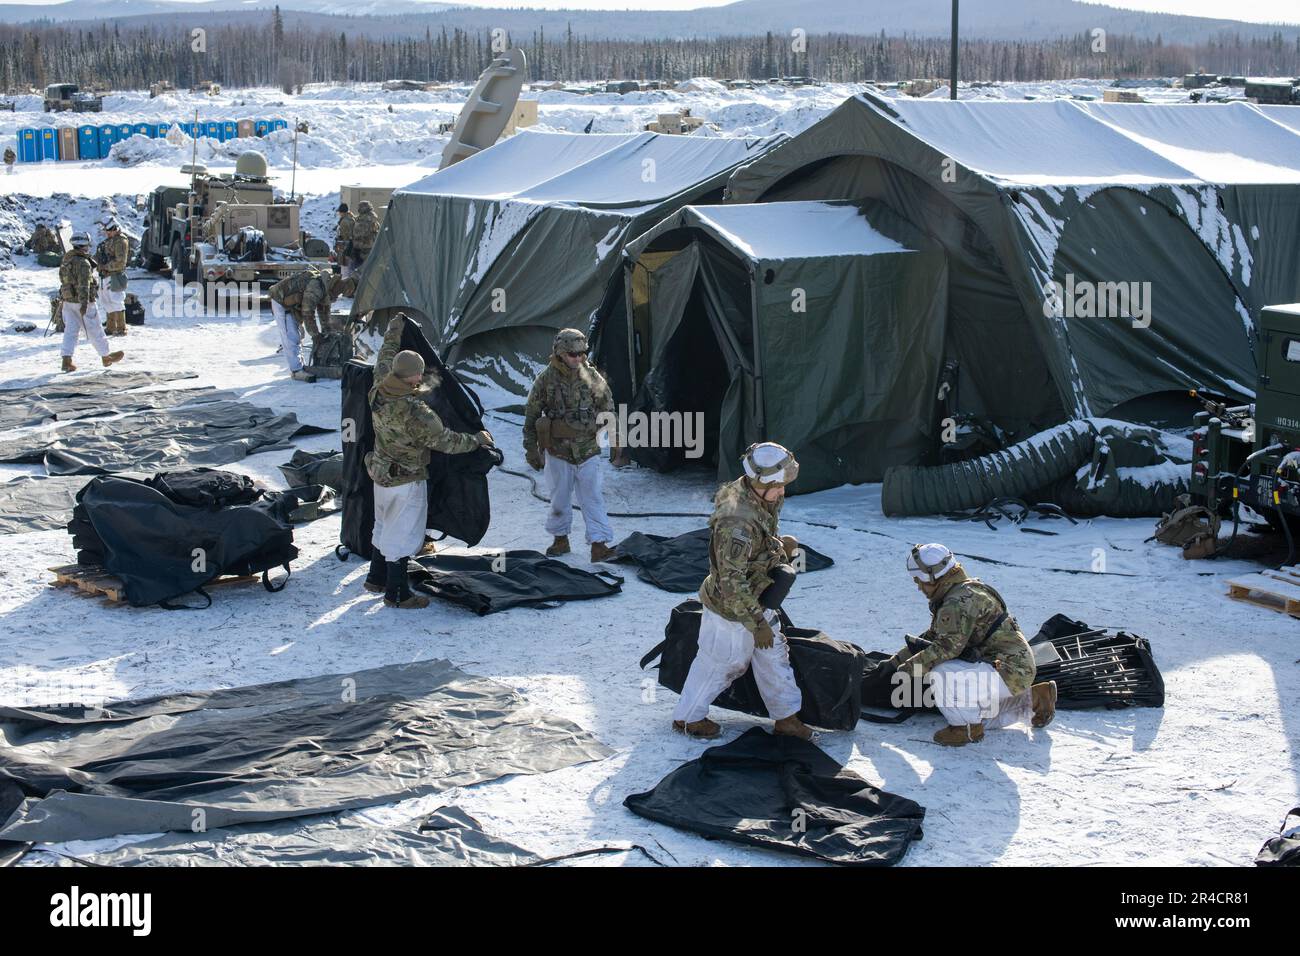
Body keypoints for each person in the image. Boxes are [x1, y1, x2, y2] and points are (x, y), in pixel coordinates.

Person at [671, 442, 813, 741]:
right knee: (723, 663)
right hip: (731, 608)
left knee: (773, 655)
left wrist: (777, 546)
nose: (783, 492)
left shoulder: (760, 494)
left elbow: (758, 541)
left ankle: (787, 718)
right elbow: (730, 581)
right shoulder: (736, 522)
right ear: (760, 482)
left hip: (758, 594)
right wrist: (757, 623)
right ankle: (688, 718)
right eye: (778, 486)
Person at [364, 313, 495, 608]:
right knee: (403, 533)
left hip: (380, 472)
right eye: (418, 374)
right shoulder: (416, 412)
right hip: (407, 479)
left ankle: (376, 577)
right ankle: (397, 593)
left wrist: (395, 328)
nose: (421, 378)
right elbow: (446, 442)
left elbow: (385, 354)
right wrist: (477, 440)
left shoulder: (379, 386)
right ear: (413, 376)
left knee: (382, 525)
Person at [888, 543, 1057, 746]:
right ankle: (1035, 700)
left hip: (1008, 670)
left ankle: (965, 729)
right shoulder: (963, 590)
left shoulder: (956, 602)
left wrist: (908, 669)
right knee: (977, 714)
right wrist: (895, 661)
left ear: (933, 576)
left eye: (919, 580)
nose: (918, 587)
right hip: (1010, 668)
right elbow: (932, 638)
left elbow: (945, 648)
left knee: (942, 672)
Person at [522, 328, 616, 562]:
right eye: (572, 354)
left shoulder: (593, 377)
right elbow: (532, 415)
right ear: (560, 353)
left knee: (592, 497)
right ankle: (560, 539)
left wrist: (614, 440)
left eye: (582, 353)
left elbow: (608, 408)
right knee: (559, 498)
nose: (578, 358)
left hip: (587, 450)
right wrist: (531, 449)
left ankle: (599, 544)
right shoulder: (545, 379)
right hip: (557, 450)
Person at [266, 267, 349, 382]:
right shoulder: (316, 287)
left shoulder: (325, 287)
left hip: (294, 304)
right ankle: (296, 371)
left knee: (298, 335)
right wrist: (315, 335)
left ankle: (300, 366)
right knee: (290, 336)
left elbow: (324, 312)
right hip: (281, 301)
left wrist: (327, 331)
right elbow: (307, 312)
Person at [58, 233, 123, 372]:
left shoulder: (66, 259)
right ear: (85, 246)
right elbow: (84, 285)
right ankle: (106, 357)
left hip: (68, 301)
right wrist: (84, 304)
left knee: (70, 331)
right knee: (96, 330)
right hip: (83, 302)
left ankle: (66, 360)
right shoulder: (83, 263)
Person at [95, 219, 131, 337]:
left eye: (109, 231)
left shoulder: (120, 241)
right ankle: (110, 327)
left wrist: (105, 266)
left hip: (114, 275)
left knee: (116, 301)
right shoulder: (110, 241)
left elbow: (120, 262)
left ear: (115, 229)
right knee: (106, 301)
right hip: (105, 275)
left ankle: (121, 328)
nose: (107, 233)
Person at [350, 200, 379, 270]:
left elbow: (358, 234)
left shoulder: (364, 219)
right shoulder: (373, 219)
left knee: (357, 273)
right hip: (369, 249)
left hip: (362, 250)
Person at [335, 202, 356, 279]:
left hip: (345, 248)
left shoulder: (344, 222)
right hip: (351, 247)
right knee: (350, 269)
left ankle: (344, 286)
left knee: (344, 271)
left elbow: (343, 236)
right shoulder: (352, 219)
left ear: (342, 212)